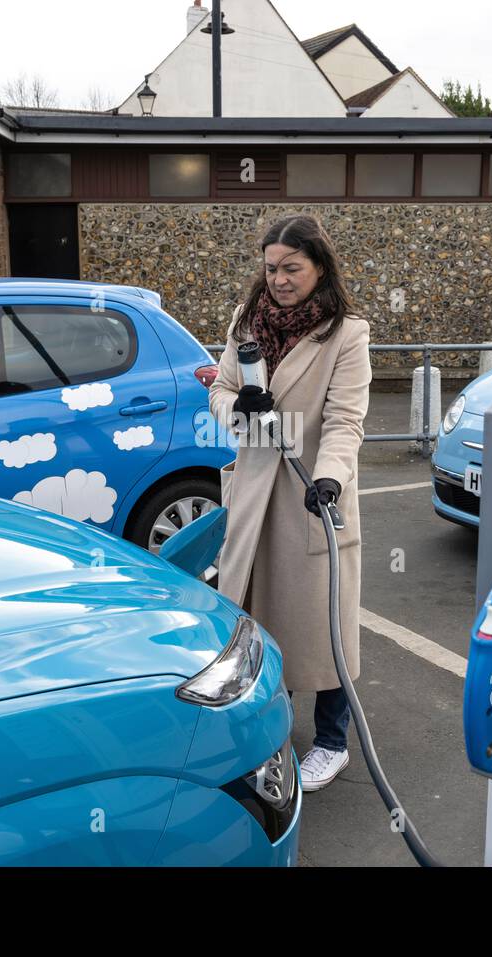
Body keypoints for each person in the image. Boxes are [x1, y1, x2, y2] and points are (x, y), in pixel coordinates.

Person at [208, 213, 371, 792]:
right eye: (271, 267)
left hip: (309, 501)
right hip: (254, 498)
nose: (277, 278)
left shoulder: (346, 333)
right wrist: (238, 410)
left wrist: (328, 479)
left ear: (319, 267)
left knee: (321, 625)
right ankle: (264, 730)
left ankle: (332, 742)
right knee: (255, 623)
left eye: (291, 268)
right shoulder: (245, 320)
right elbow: (221, 390)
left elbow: (345, 420)